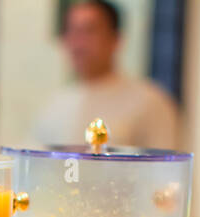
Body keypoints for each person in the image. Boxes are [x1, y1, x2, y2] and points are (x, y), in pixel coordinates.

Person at [34, 0, 180, 149]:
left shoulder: (150, 102)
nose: (78, 42)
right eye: (72, 31)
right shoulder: (55, 104)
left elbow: (166, 168)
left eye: (89, 31)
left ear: (115, 39)